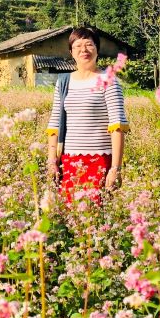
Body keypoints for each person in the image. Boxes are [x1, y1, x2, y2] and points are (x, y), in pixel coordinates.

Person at [46, 27, 128, 205]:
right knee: (71, 216)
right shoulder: (63, 82)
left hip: (99, 161)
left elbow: (118, 127)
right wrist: (52, 161)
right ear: (71, 52)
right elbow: (54, 124)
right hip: (69, 163)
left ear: (97, 49)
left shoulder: (109, 81)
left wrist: (116, 168)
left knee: (94, 218)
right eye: (78, 46)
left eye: (89, 45)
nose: (84, 50)